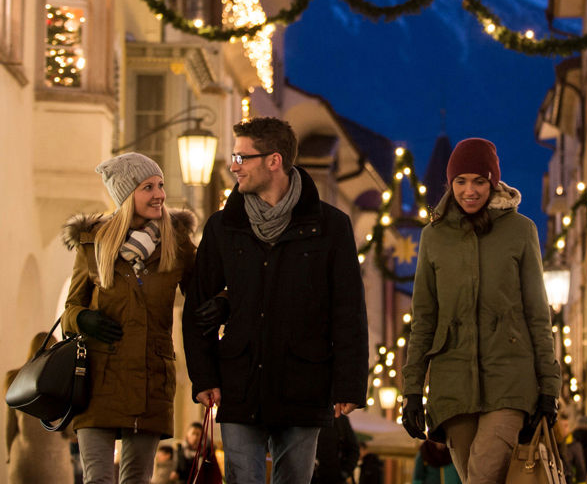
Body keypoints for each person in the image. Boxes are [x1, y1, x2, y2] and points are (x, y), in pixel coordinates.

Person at [182, 116, 369, 484]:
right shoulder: (223, 226)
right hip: (240, 381)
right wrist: (203, 376)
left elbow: (348, 311)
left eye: (242, 158)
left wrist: (349, 384)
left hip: (304, 382)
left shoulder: (330, 226)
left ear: (273, 161)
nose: (234, 166)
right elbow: (196, 307)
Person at [401, 137, 561, 483]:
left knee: (482, 475)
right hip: (452, 385)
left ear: (493, 182)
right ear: (450, 183)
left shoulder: (521, 231)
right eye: (461, 181)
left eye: (479, 181)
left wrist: (549, 387)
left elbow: (537, 315)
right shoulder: (434, 236)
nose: (469, 191)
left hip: (510, 381)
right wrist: (412, 390)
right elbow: (424, 319)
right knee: (476, 477)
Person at [61, 152, 197, 484]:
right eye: (147, 187)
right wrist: (83, 319)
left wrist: (221, 302)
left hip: (150, 380)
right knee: (98, 479)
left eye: (161, 185)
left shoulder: (177, 243)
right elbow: (70, 310)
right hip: (98, 379)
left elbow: (205, 293)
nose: (159, 194)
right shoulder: (92, 242)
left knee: (136, 478)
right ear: (125, 195)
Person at [5, 332, 74, 483]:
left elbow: (10, 428)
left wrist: (9, 455)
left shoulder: (16, 380)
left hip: (22, 463)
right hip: (55, 465)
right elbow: (70, 431)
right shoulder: (61, 382)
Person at [311, 413, 359, 483]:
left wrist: (345, 472)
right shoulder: (308, 417)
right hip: (310, 476)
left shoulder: (340, 420)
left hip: (334, 476)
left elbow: (353, 449)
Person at [554, 411, 586, 484]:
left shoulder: (575, 445)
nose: (566, 429)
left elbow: (581, 470)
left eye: (567, 425)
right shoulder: (553, 444)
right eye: (563, 426)